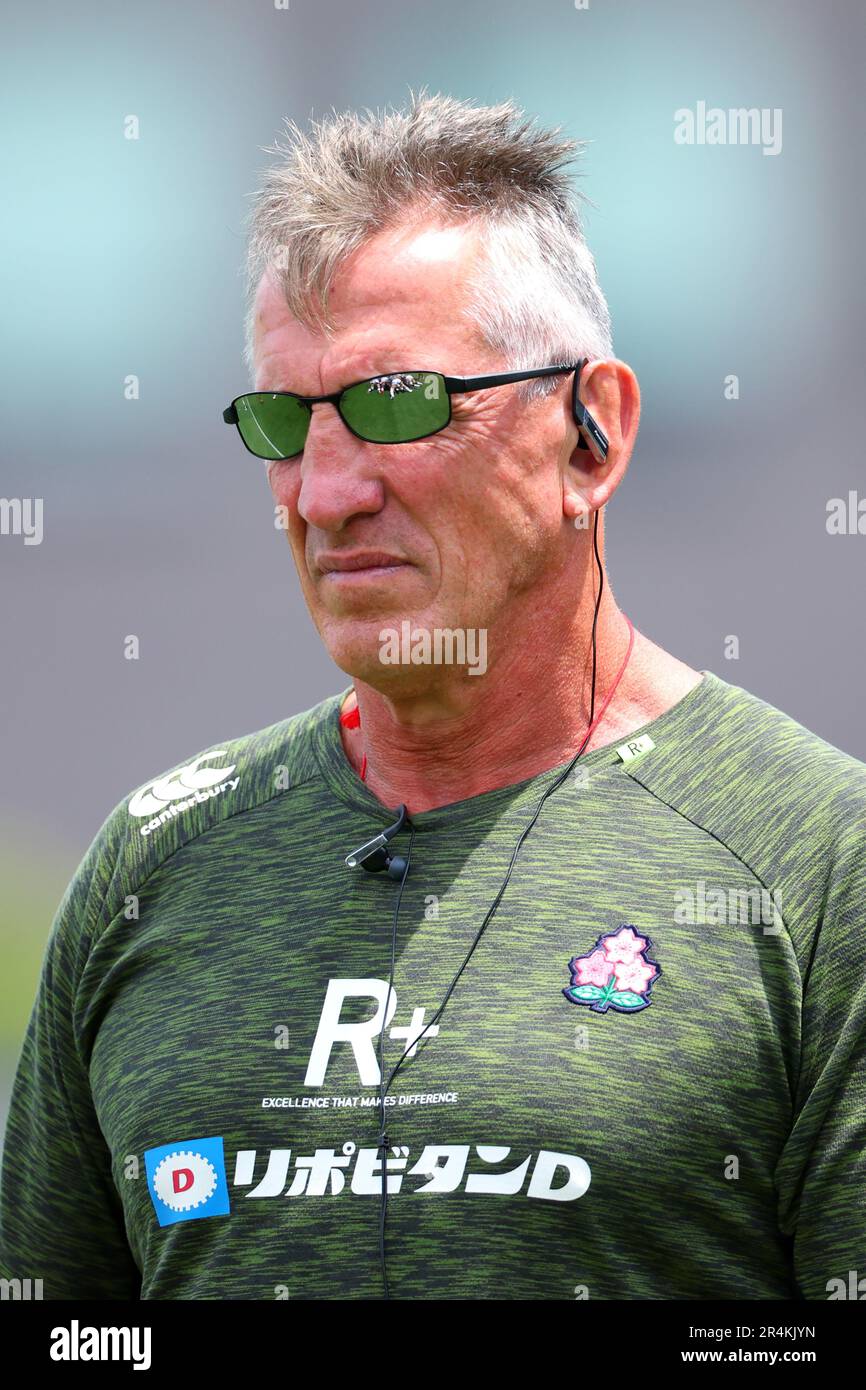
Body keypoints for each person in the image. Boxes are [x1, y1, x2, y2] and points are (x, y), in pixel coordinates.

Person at [1, 90, 864, 1302]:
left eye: (395, 403)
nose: (324, 493)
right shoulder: (157, 862)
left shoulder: (820, 864)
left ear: (590, 434)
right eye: (282, 425)